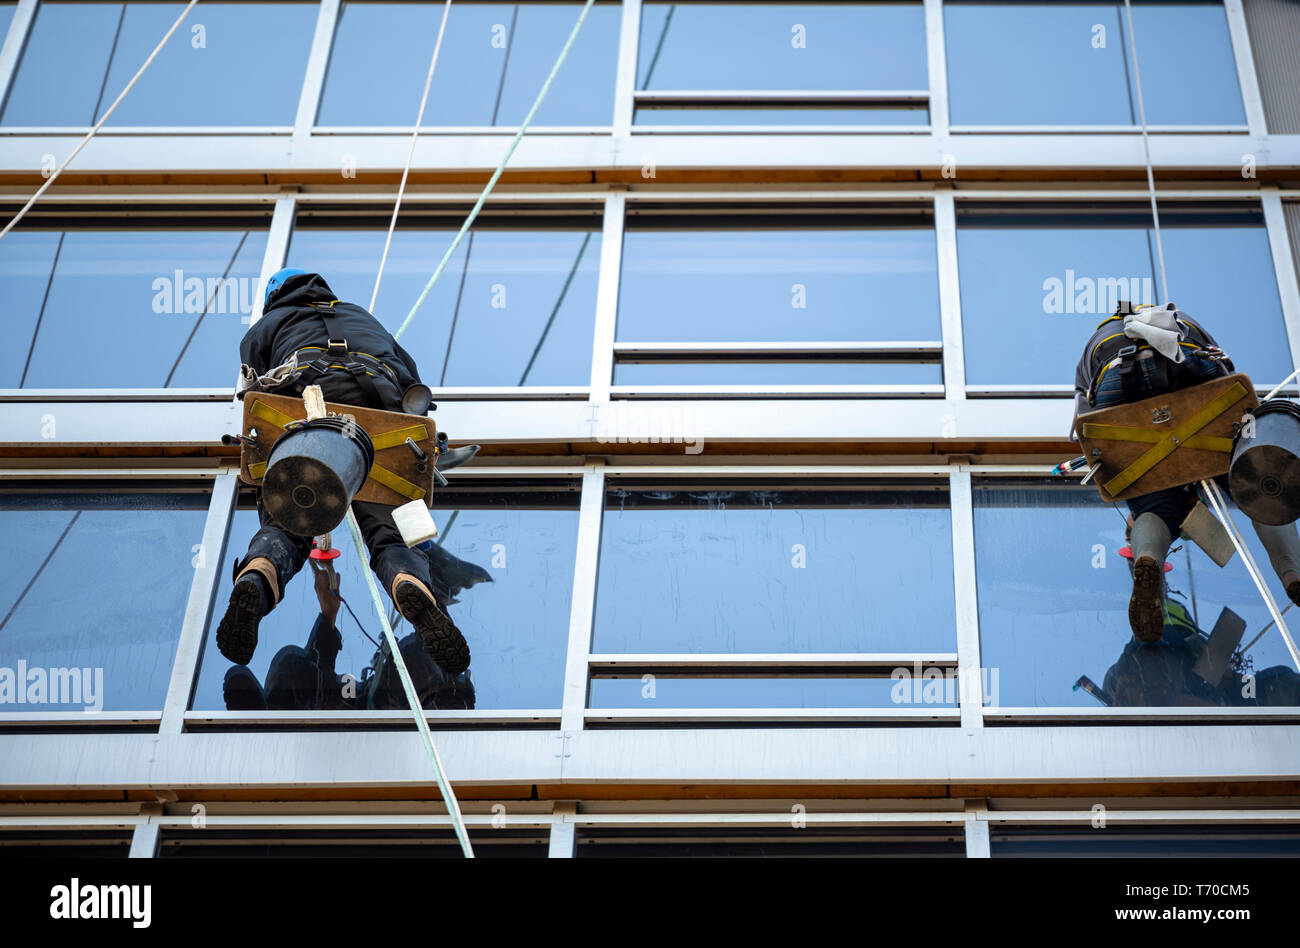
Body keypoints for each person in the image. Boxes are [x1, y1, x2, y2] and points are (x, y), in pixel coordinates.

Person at [217, 268, 468, 674]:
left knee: (289, 519)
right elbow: (410, 372)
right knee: (391, 532)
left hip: (307, 414)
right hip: (379, 422)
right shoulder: (362, 317)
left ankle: (259, 573)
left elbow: (254, 385)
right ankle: (409, 582)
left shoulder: (268, 325)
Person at [1074, 300, 1300, 642]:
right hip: (1187, 371)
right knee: (1257, 483)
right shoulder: (1180, 321)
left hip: (1117, 393)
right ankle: (1292, 572)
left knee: (1154, 510)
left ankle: (1147, 557)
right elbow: (1223, 368)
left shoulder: (1094, 349)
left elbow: (1085, 418)